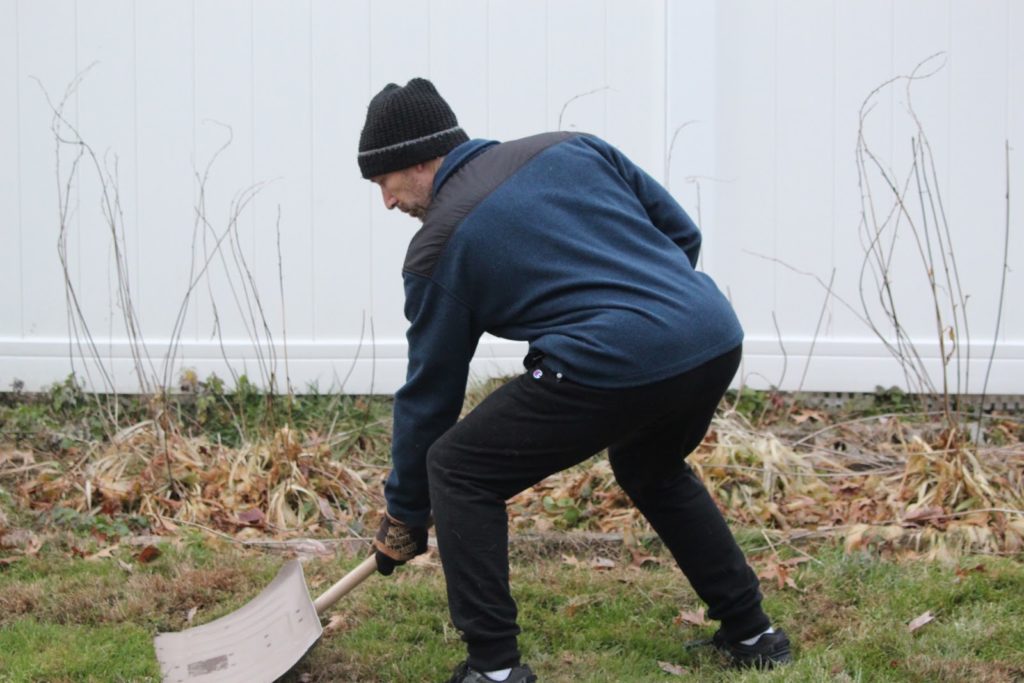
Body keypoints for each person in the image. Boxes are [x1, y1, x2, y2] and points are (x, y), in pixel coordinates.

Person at [358, 78, 791, 683]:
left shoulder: (438, 246)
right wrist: (650, 313)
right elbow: (681, 235)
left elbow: (430, 396)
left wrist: (406, 513)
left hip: (613, 359)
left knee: (458, 468)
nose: (385, 202)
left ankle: (494, 670)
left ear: (419, 159)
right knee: (651, 466)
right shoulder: (571, 146)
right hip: (712, 333)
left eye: (383, 182)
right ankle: (752, 633)